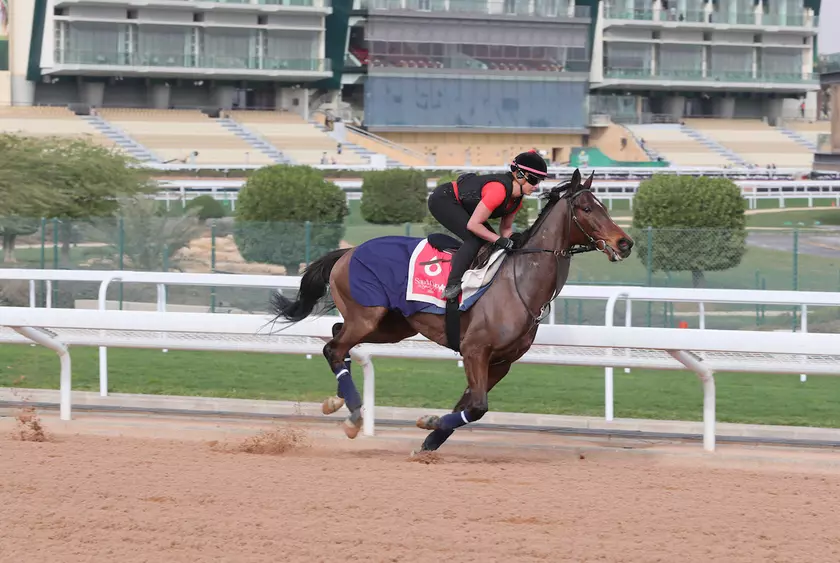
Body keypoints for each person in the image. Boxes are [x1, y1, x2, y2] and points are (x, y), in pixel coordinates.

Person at [427, 150, 548, 301]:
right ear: (519, 175)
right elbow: (473, 225)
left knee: (491, 244)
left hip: (464, 206)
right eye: (535, 180)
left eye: (540, 181)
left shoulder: (517, 200)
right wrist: (498, 239)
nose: (536, 186)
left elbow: (506, 230)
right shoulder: (498, 190)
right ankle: (452, 285)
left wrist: (517, 242)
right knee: (475, 239)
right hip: (444, 199)